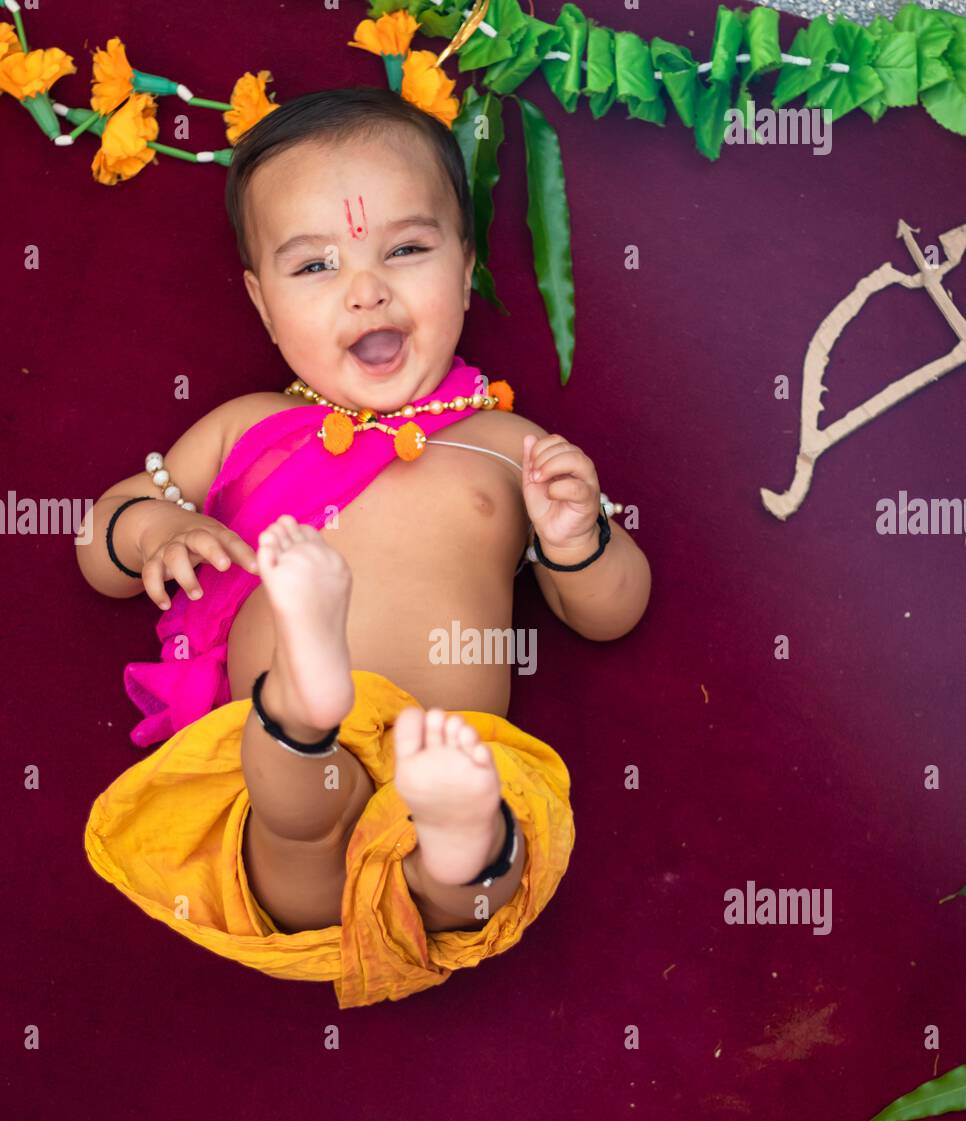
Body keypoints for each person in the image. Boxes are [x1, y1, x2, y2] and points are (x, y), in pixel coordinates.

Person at [78, 87, 652, 1007]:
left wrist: (577, 537)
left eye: (408, 249)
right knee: (298, 837)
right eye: (315, 267)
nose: (366, 287)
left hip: (444, 750)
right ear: (263, 308)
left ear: (465, 271)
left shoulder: (507, 448)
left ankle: (455, 837)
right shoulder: (247, 427)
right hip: (279, 757)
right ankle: (307, 705)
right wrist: (161, 529)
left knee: (471, 884)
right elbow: (99, 546)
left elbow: (613, 613)